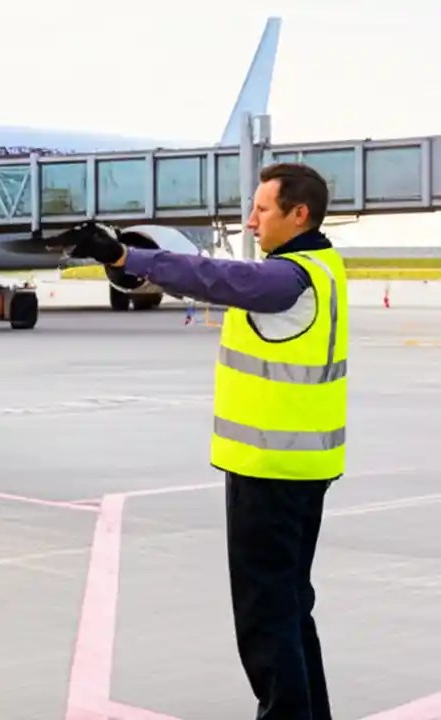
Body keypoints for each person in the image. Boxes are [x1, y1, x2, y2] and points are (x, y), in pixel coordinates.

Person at [68, 162, 345, 720]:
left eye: (262, 210)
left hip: (270, 471)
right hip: (301, 468)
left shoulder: (289, 279)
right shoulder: (323, 267)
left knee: (267, 617)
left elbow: (213, 277)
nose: (250, 221)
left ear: (299, 214)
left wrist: (125, 257)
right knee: (291, 608)